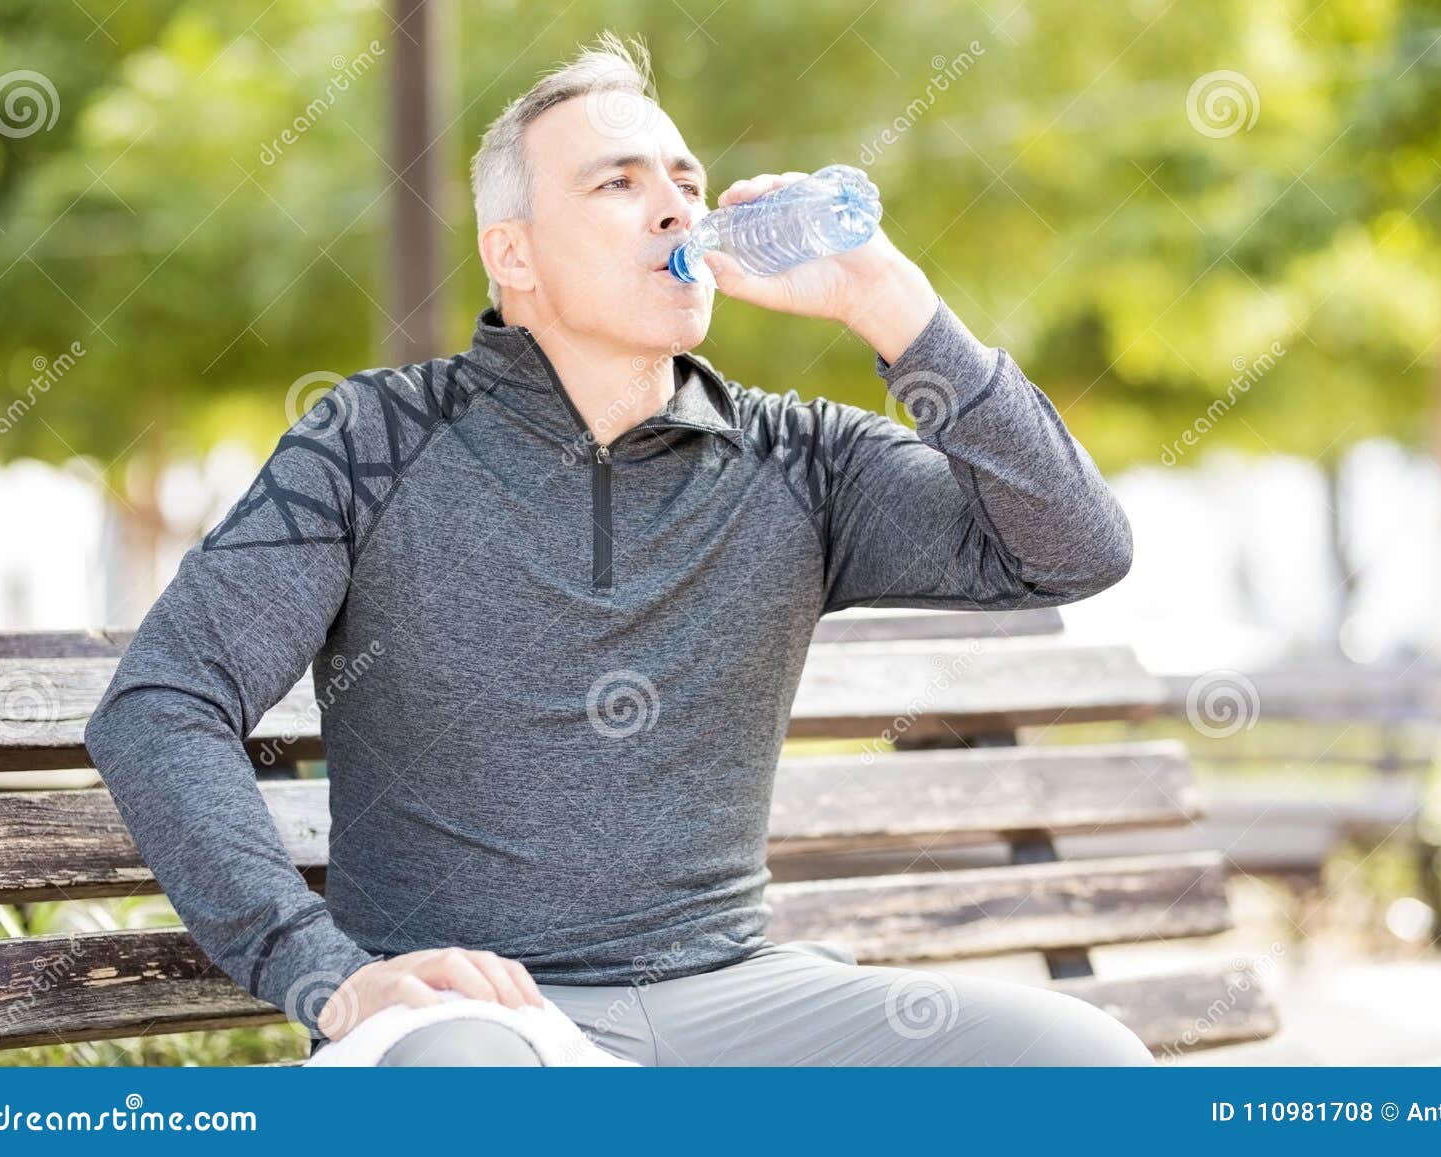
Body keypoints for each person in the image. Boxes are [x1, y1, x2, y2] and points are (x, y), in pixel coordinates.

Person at [82, 31, 1145, 1067]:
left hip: (742, 998)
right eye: (617, 184)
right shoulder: (370, 441)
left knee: (1083, 1059)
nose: (677, 204)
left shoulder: (802, 457)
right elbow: (163, 702)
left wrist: (892, 307)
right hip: (484, 1016)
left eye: (685, 177)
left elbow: (1071, 551)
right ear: (514, 253)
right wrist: (321, 969)